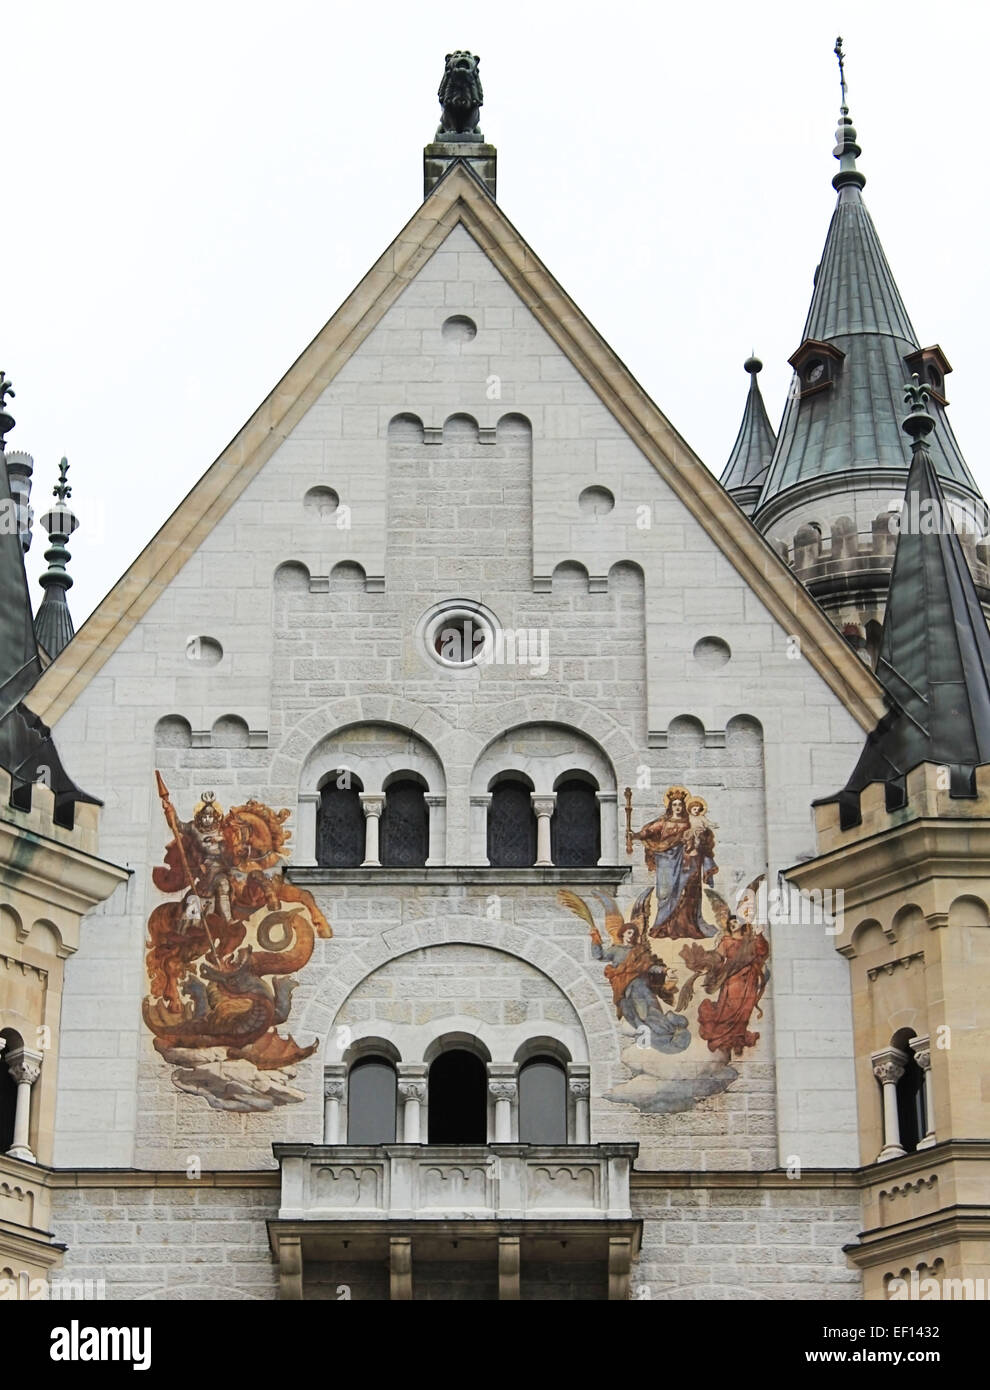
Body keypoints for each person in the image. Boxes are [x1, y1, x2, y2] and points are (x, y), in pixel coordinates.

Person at [633, 787, 718, 939]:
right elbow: (649, 831)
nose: (678, 807)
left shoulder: (690, 821)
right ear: (670, 806)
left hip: (687, 862)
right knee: (665, 893)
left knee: (689, 893)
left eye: (680, 804)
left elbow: (701, 836)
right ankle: (662, 925)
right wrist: (636, 835)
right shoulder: (664, 822)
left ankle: (685, 926)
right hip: (666, 861)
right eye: (675, 804)